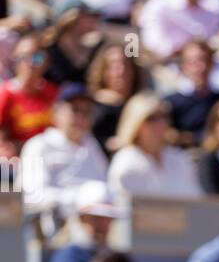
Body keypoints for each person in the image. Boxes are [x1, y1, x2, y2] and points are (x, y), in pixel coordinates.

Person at [19, 85, 108, 219]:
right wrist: (80, 200)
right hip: (52, 229)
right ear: (56, 112)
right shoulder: (39, 146)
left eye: (87, 112)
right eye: (75, 110)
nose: (81, 117)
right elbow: (33, 196)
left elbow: (106, 188)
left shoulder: (92, 147)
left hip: (94, 227)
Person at [107, 93, 203, 200]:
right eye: (151, 118)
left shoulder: (179, 158)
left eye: (164, 116)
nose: (161, 123)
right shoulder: (126, 162)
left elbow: (195, 200)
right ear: (136, 124)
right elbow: (124, 207)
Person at [0, 34, 58, 155]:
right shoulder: (5, 94)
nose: (30, 63)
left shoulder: (53, 92)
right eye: (23, 57)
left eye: (37, 57)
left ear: (47, 61)